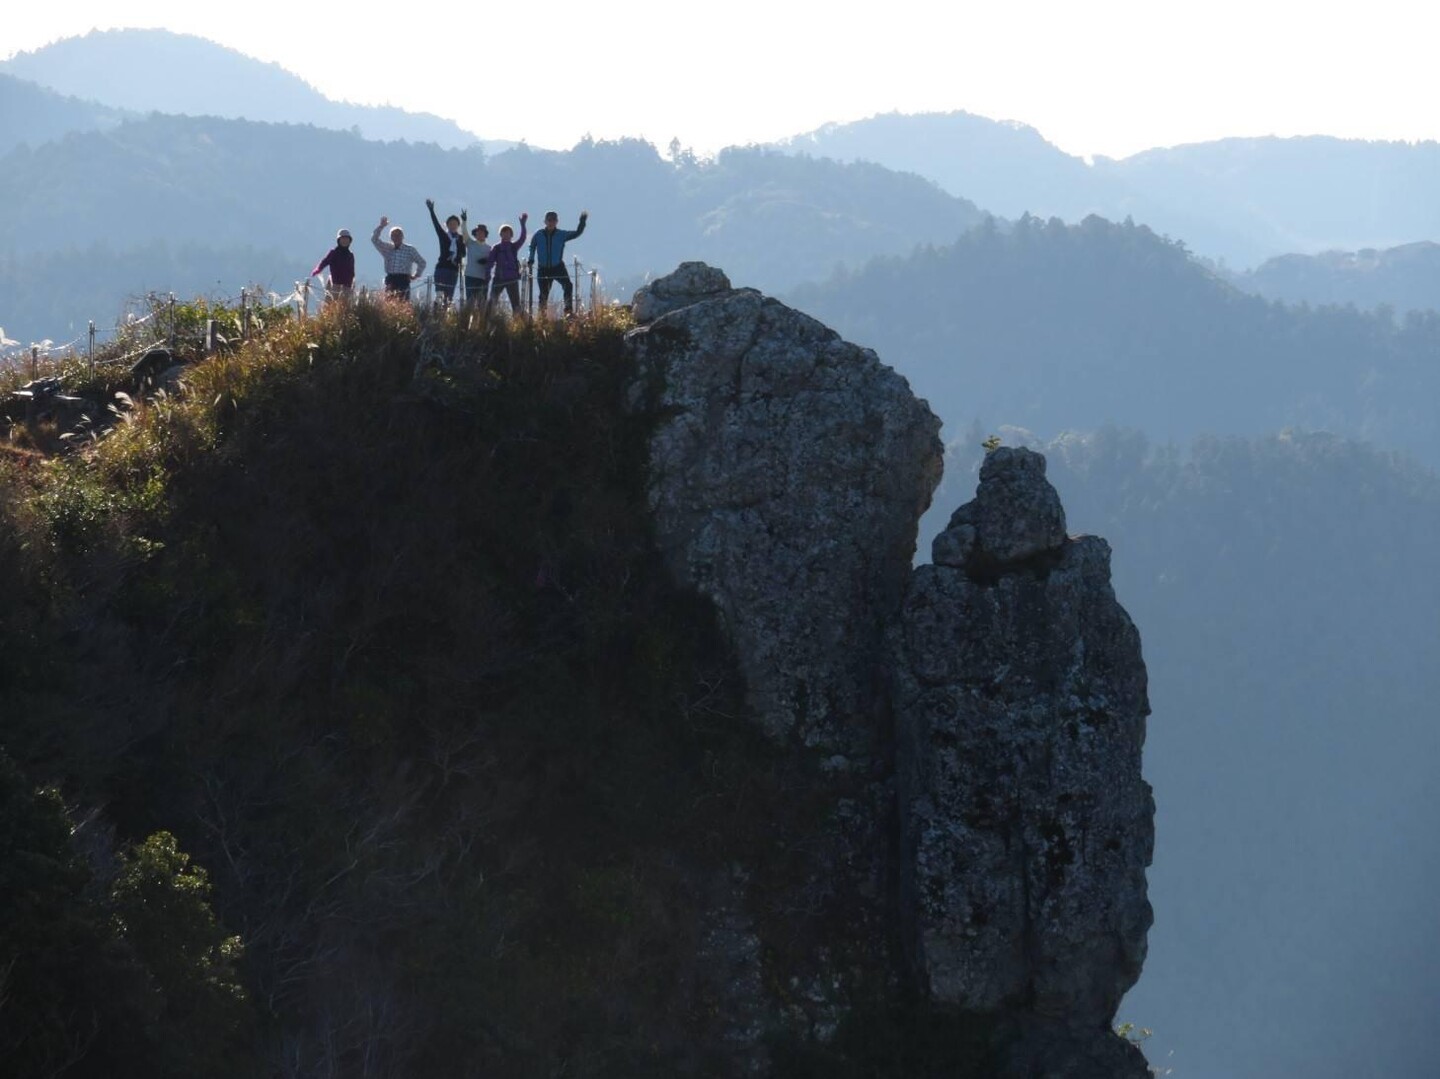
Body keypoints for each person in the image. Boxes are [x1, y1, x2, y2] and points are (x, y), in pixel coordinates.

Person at [528, 209, 588, 315]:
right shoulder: (538, 234)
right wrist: (531, 259)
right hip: (543, 269)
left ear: (557, 221)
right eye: (549, 220)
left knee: (568, 285)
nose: (551, 222)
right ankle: (542, 316)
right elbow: (532, 246)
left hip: (558, 267)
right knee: (543, 293)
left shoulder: (561, 234)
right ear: (545, 221)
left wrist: (582, 222)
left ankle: (568, 310)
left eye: (553, 220)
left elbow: (577, 233)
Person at [371, 216, 427, 298]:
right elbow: (374, 239)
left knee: (403, 303)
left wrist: (416, 275)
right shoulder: (387, 248)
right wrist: (381, 226)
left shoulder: (409, 249)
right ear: (391, 238)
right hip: (391, 279)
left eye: (398, 235)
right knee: (389, 304)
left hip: (403, 280)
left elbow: (422, 262)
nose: (396, 237)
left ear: (402, 237)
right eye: (394, 235)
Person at [487, 213, 528, 318]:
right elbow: (490, 261)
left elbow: (523, 238)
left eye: (508, 233)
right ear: (500, 235)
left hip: (512, 279)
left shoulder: (514, 246)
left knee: (516, 304)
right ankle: (487, 321)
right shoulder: (496, 248)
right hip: (499, 278)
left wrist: (523, 224)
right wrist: (487, 273)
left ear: (511, 235)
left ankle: (517, 324)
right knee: (492, 302)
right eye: (504, 232)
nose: (506, 234)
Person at [426, 198, 465, 307]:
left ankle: (445, 317)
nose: (453, 225)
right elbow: (436, 225)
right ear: (447, 225)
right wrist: (431, 211)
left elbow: (463, 253)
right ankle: (436, 315)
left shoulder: (460, 238)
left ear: (458, 226)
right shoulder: (444, 236)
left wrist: (457, 258)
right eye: (451, 223)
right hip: (442, 268)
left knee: (449, 296)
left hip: (453, 270)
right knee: (439, 294)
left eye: (455, 224)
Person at [311, 228, 356, 301]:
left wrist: (352, 283)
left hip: (347, 286)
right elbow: (324, 261)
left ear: (350, 241)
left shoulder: (350, 255)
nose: (345, 241)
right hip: (335, 284)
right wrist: (318, 269)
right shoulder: (333, 252)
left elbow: (352, 271)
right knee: (331, 303)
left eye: (346, 239)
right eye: (342, 239)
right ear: (339, 240)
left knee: (345, 305)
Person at [461, 212, 491, 312]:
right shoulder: (470, 243)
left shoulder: (489, 248)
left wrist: (487, 261)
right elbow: (464, 233)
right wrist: (464, 222)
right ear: (475, 234)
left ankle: (480, 324)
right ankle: (467, 322)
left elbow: (492, 261)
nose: (480, 233)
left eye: (482, 232)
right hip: (470, 276)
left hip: (483, 278)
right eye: (478, 232)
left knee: (482, 303)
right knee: (470, 302)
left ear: (485, 234)